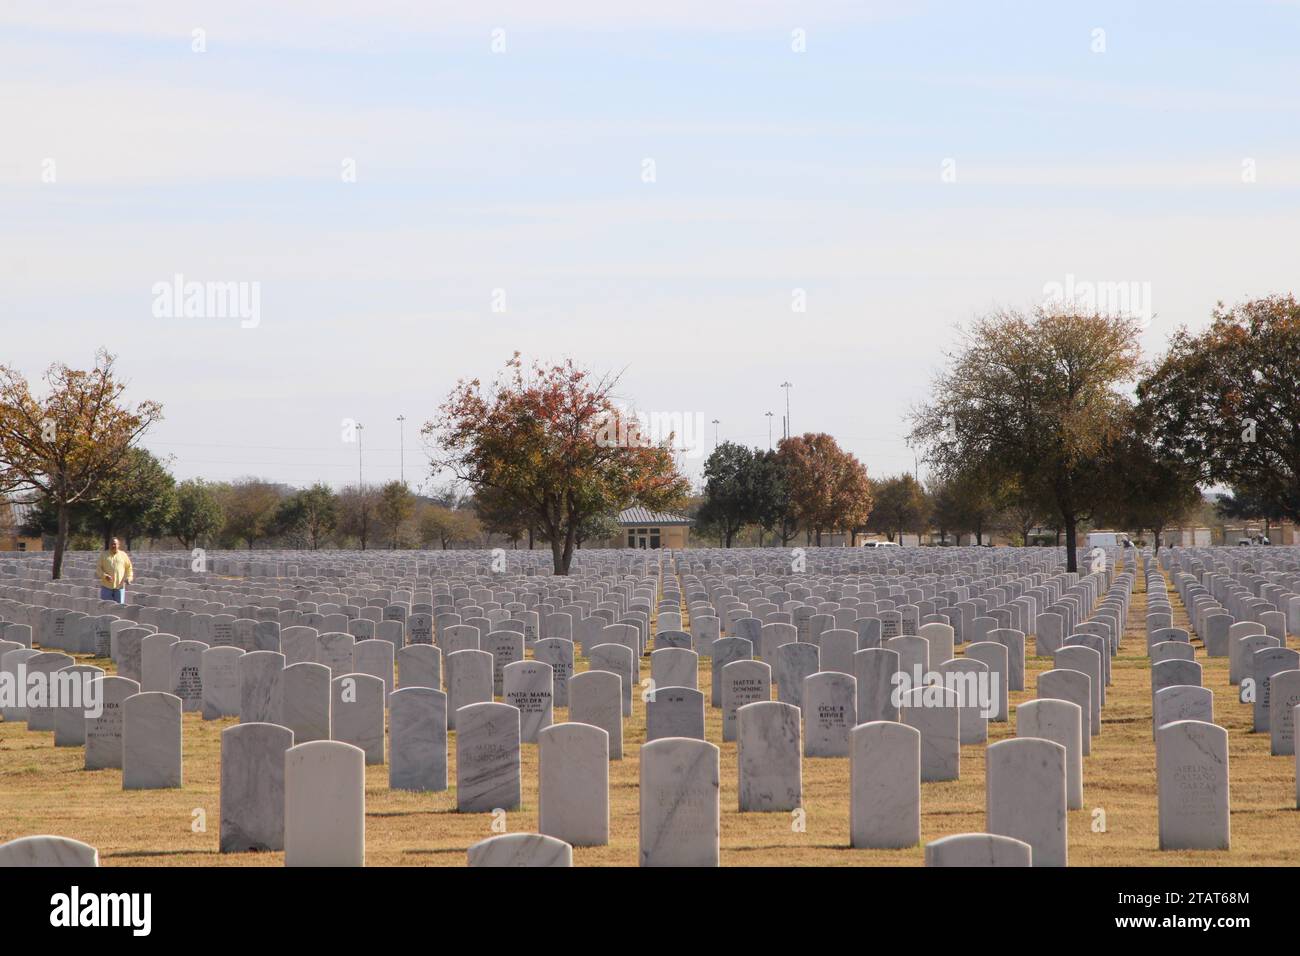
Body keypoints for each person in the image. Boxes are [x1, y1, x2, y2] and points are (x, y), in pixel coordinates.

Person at [98, 538, 133, 604]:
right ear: (109, 545)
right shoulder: (103, 555)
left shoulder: (123, 555)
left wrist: (129, 578)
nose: (113, 546)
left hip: (119, 587)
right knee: (105, 607)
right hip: (106, 587)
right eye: (111, 544)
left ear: (118, 545)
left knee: (119, 609)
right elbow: (98, 568)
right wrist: (105, 576)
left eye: (115, 544)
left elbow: (129, 568)